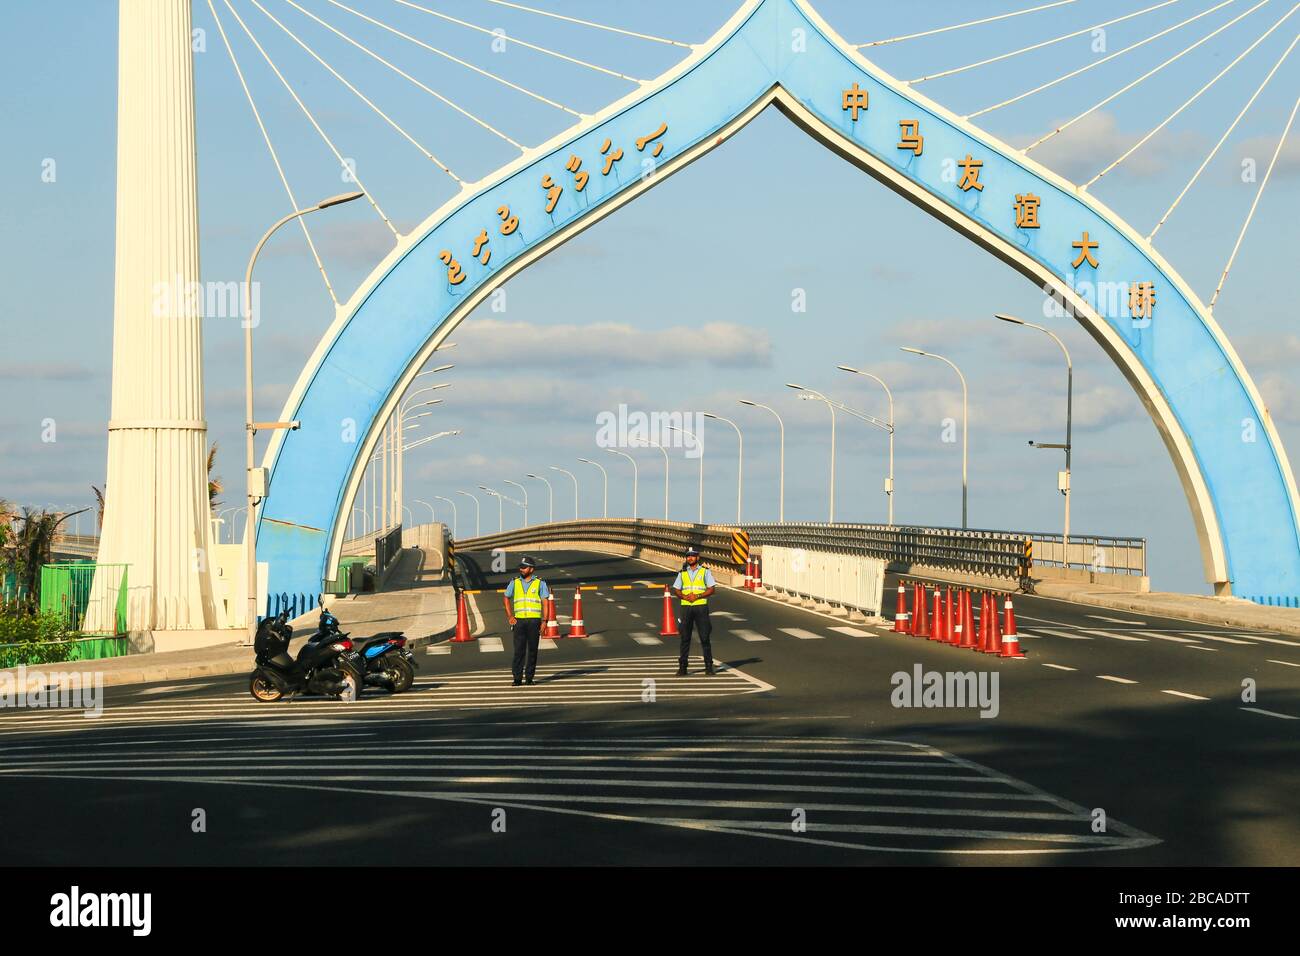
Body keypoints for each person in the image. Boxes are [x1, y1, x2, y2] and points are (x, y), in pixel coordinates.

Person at [503, 556, 551, 686]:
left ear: (531, 569)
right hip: (519, 622)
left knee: (532, 650)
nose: (521, 569)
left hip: (534, 621)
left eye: (524, 567)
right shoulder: (515, 582)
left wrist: (545, 621)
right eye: (521, 567)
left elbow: (545, 603)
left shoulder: (540, 583)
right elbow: (506, 598)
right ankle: (517, 678)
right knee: (519, 650)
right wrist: (510, 616)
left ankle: (529, 678)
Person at [670, 546, 716, 676]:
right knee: (685, 637)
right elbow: (677, 589)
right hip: (686, 607)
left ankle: (708, 666)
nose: (690, 558)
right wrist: (684, 596)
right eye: (688, 556)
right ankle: (683, 667)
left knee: (705, 637)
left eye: (692, 555)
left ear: (698, 557)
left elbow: (711, 589)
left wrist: (697, 596)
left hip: (701, 606)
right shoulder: (682, 573)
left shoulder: (705, 572)